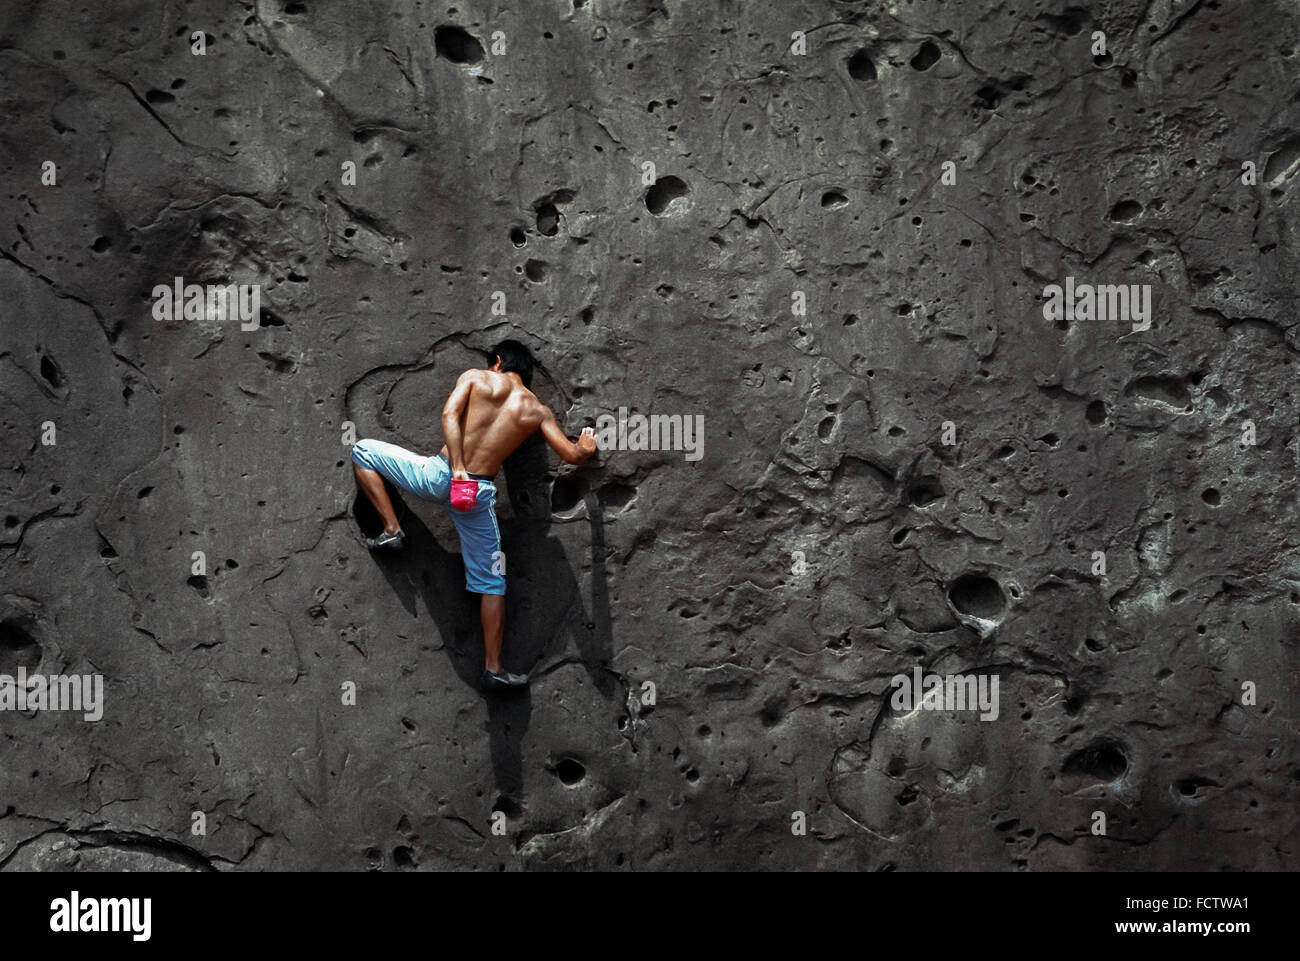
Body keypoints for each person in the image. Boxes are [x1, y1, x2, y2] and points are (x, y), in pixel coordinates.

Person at [350, 340, 597, 690]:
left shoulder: (476, 378)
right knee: (492, 582)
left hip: (439, 477)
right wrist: (585, 450)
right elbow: (570, 455)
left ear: (498, 361)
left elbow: (449, 414)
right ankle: (493, 669)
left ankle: (392, 528)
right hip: (475, 499)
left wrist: (459, 467)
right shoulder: (537, 411)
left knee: (363, 451)